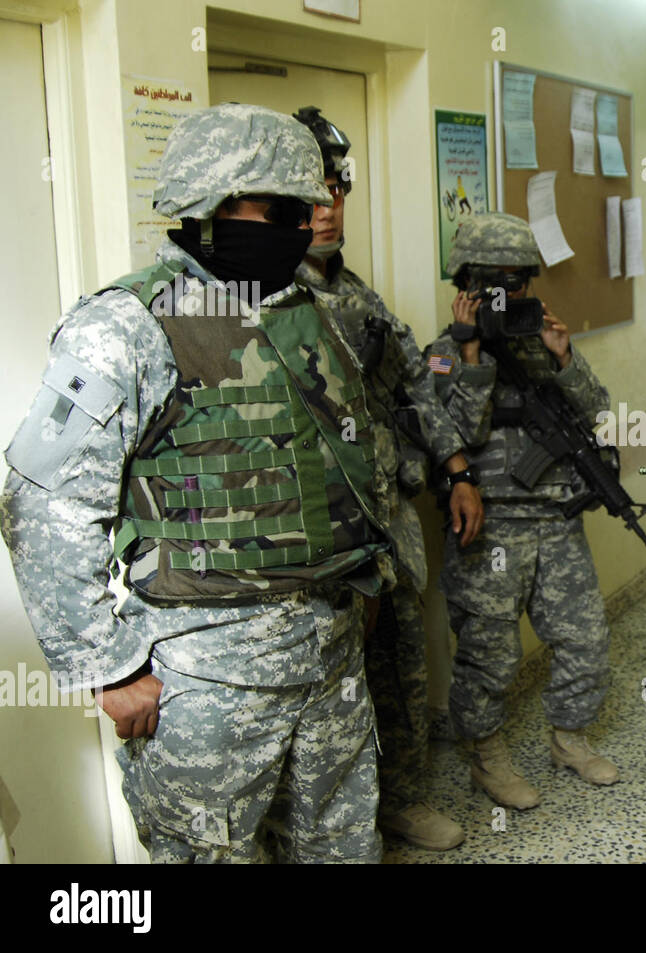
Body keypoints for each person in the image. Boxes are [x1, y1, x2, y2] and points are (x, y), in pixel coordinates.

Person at [1, 103, 393, 862]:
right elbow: (40, 504)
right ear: (207, 208)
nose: (307, 222)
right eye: (282, 208)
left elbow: (352, 459)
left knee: (344, 851)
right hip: (207, 683)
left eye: (309, 205)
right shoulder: (125, 328)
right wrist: (106, 666)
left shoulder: (322, 314)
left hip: (332, 663)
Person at [293, 106, 483, 852]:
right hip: (318, 544)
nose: (330, 204)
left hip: (387, 524)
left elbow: (414, 388)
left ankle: (399, 799)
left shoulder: (355, 292)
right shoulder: (256, 306)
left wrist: (458, 469)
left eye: (338, 185)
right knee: (327, 694)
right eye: (313, 189)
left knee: (401, 668)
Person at [426, 213, 617, 809]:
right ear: (467, 286)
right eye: (495, 284)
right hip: (492, 529)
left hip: (556, 516)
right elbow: (451, 435)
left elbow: (598, 412)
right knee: (490, 654)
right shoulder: (442, 355)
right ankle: (487, 757)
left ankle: (569, 738)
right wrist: (471, 353)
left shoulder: (542, 342)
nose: (511, 296)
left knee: (584, 635)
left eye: (521, 282)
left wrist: (564, 358)